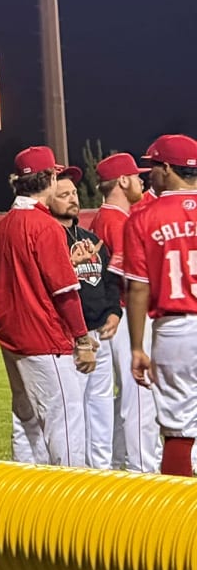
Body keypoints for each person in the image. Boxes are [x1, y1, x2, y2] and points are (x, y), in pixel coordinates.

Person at [0, 146, 99, 468]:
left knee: (26, 422)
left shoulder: (5, 225)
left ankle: (25, 500)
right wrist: (81, 338)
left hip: (12, 338)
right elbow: (64, 292)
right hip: (42, 337)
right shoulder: (46, 226)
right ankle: (69, 505)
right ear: (50, 178)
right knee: (64, 420)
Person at [124, 134, 197, 477]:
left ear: (167, 168)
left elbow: (138, 288)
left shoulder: (143, 216)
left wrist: (137, 346)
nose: (150, 173)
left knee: (179, 428)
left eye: (153, 165)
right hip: (178, 325)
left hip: (176, 329)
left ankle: (177, 522)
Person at [88, 152, 163, 472]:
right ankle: (142, 468)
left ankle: (122, 461)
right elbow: (131, 277)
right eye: (136, 176)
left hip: (117, 315)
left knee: (128, 399)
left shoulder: (107, 218)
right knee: (139, 398)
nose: (141, 180)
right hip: (124, 314)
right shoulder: (115, 221)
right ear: (121, 181)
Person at [54, 172, 121, 468]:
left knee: (101, 406)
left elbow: (108, 282)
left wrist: (113, 312)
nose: (73, 198)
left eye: (74, 193)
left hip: (100, 333)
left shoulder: (91, 240)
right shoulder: (50, 241)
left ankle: (102, 471)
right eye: (64, 194)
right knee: (74, 411)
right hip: (70, 338)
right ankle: (78, 475)